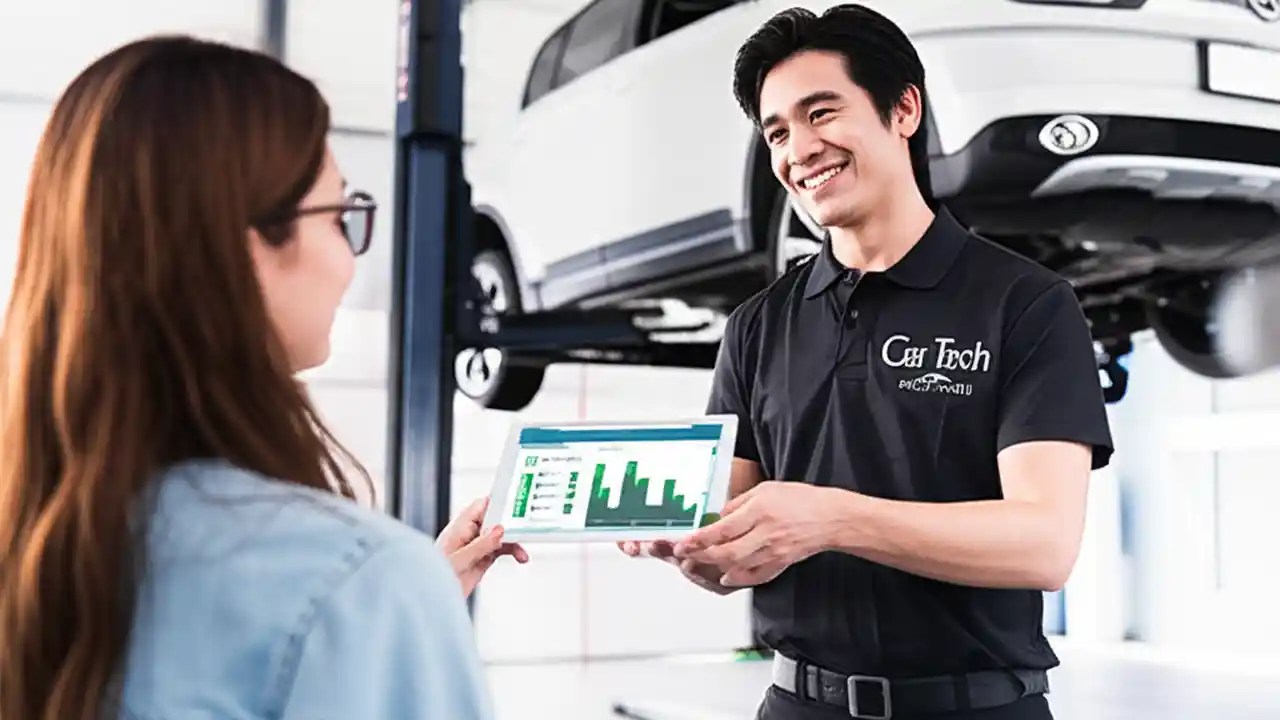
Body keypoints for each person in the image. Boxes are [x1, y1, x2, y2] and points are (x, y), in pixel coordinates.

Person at [0, 36, 526, 720]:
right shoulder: (355, 582)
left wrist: (385, 623)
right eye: (342, 217)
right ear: (243, 247)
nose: (348, 260)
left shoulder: (32, 543)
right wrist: (378, 608)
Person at [621, 6, 1113, 719]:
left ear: (904, 108)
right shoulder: (756, 327)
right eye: (778, 132)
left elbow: (1043, 545)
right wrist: (696, 551)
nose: (800, 149)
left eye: (822, 113)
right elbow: (733, 538)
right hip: (796, 703)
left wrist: (832, 520)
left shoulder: (1026, 303)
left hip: (976, 708)